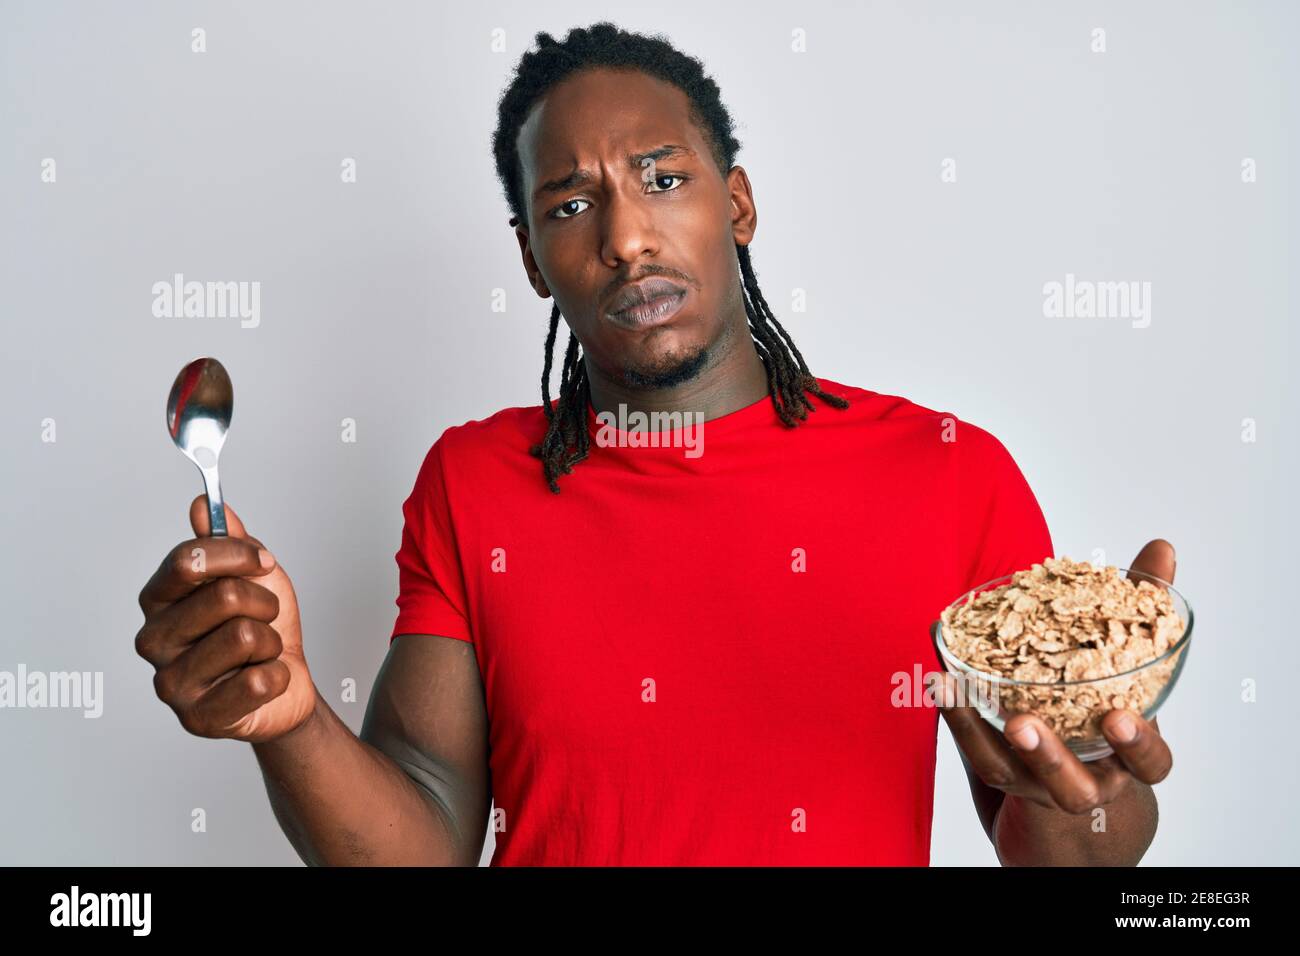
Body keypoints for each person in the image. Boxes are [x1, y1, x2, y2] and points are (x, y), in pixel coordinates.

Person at [135, 22, 1176, 866]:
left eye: (664, 180)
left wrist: (1090, 776)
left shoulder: (949, 471)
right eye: (572, 203)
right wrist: (293, 721)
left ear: (737, 202)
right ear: (534, 260)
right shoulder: (473, 482)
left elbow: (1065, 849)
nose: (625, 237)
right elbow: (426, 833)